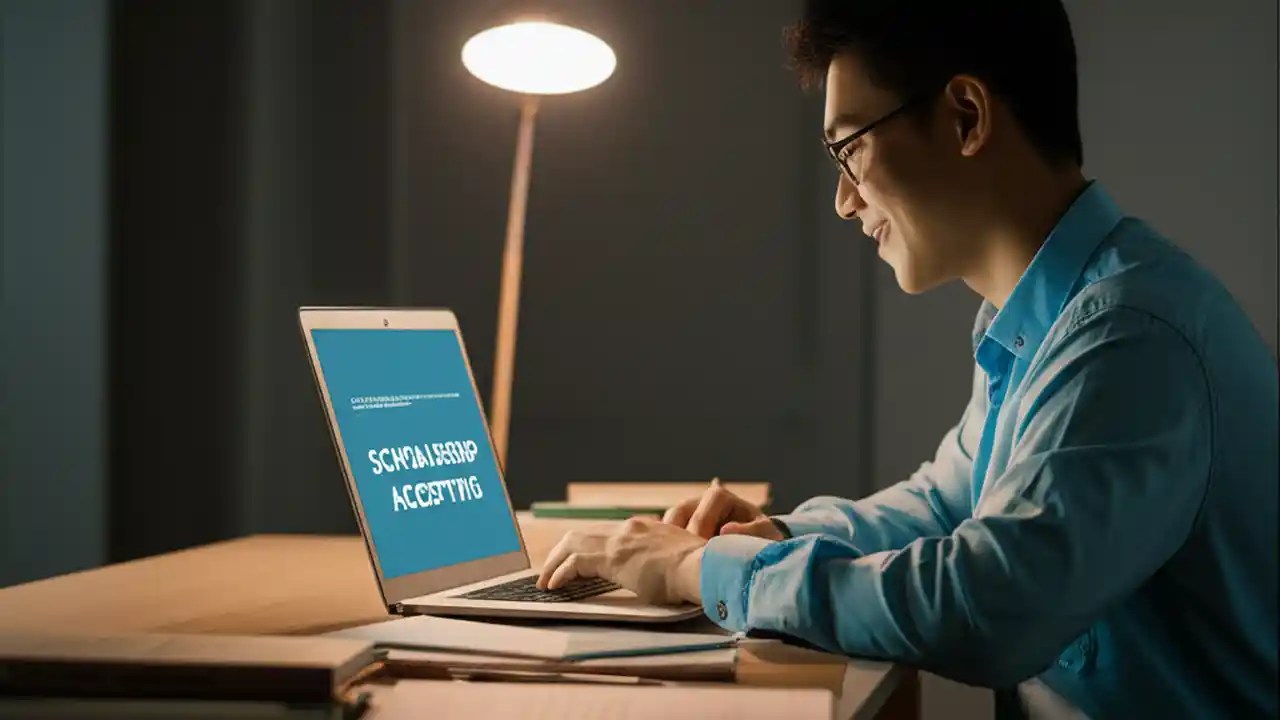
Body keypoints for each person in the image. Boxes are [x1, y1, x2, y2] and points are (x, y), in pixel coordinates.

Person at [535, 0, 1279, 716]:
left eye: (849, 148)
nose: (843, 201)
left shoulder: (1129, 338)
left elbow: (983, 607)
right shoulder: (1042, 322)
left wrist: (699, 571)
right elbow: (943, 506)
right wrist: (780, 538)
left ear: (965, 117)